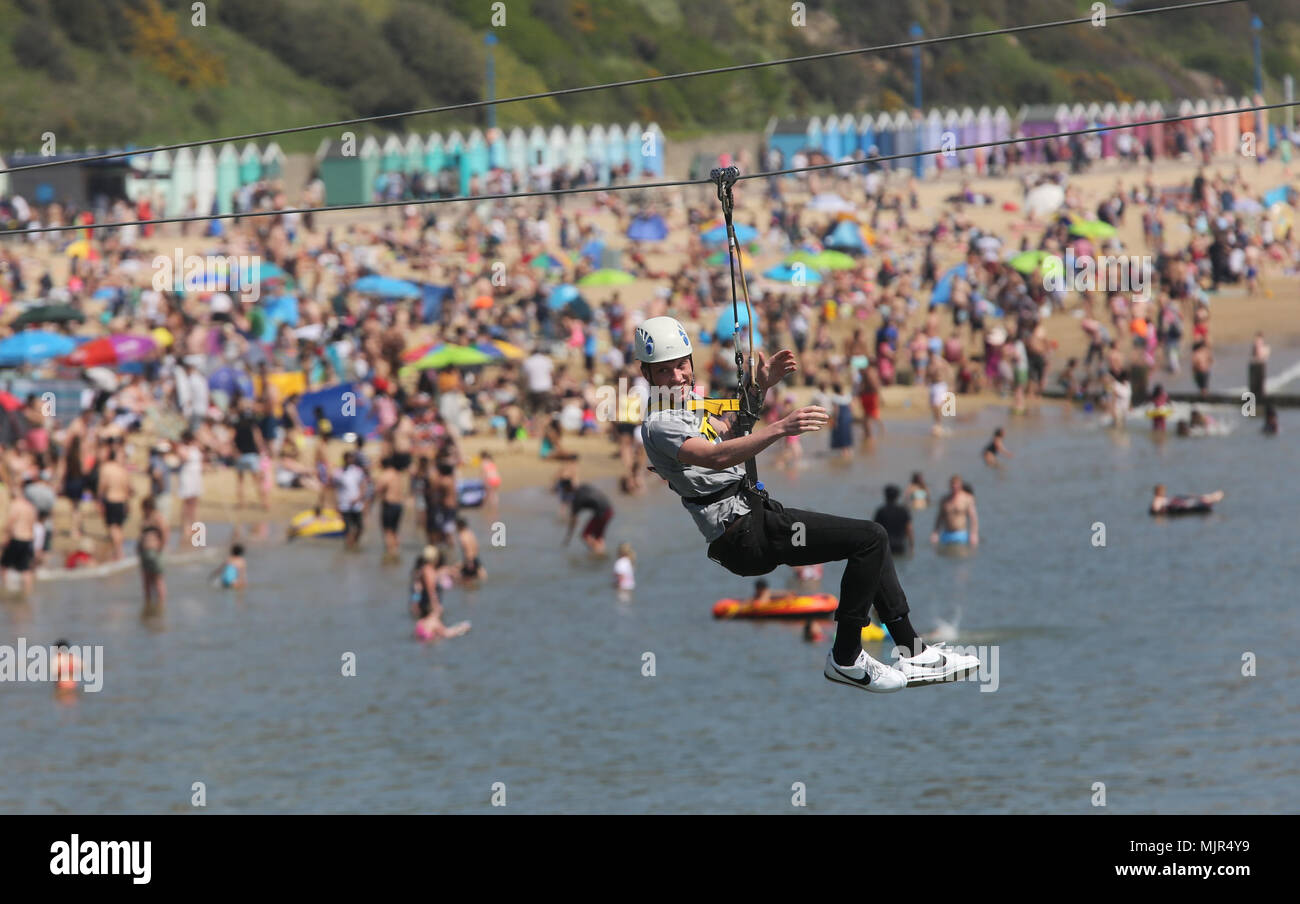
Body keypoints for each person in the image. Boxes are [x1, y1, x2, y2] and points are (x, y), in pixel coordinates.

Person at [635, 315, 977, 694]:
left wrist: (760, 386)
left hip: (759, 518)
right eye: (665, 371)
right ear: (647, 375)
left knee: (869, 542)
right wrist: (781, 428)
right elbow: (716, 457)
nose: (678, 376)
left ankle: (913, 652)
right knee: (870, 538)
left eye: (682, 365)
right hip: (743, 536)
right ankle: (846, 658)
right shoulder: (660, 423)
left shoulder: (689, 407)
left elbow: (733, 432)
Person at [411, 545, 471, 641]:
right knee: (438, 633)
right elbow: (431, 590)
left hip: (424, 612)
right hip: (429, 607)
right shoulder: (428, 571)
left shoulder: (419, 623)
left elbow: (417, 590)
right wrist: (462, 628)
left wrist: (415, 604)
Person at [97, 441, 131, 562]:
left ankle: (118, 552)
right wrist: (128, 503)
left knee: (112, 527)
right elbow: (128, 487)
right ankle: (118, 552)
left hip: (111, 499)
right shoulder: (122, 469)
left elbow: (102, 486)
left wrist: (99, 499)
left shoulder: (105, 468)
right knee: (119, 528)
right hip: (122, 500)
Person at [1, 485, 38, 596]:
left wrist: (5, 537)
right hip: (28, 539)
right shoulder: (30, 507)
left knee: (3, 566)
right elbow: (32, 524)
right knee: (26, 568)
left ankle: (5, 590)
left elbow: (10, 523)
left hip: (16, 537)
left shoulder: (14, 505)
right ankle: (28, 592)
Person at [563, 482, 614, 555]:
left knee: (585, 535)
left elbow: (573, 521)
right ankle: (602, 553)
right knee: (598, 536)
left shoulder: (576, 500)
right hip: (609, 510)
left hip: (601, 513)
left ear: (567, 490)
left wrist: (568, 537)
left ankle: (598, 553)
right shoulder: (583, 486)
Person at [931, 474, 979, 548]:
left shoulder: (967, 498)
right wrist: (935, 533)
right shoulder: (944, 500)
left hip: (961, 534)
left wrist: (974, 534)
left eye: (956, 484)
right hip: (946, 534)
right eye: (952, 484)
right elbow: (939, 517)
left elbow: (973, 518)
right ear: (950, 485)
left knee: (961, 555)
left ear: (961, 485)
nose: (954, 486)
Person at [334, 451, 369, 551]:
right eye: (348, 458)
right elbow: (334, 488)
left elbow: (363, 485)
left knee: (360, 528)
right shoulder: (338, 472)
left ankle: (355, 544)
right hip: (344, 505)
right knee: (348, 528)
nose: (350, 460)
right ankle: (348, 547)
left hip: (356, 504)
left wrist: (359, 497)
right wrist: (335, 504)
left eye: (351, 458)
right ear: (344, 459)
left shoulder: (358, 471)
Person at [373, 455, 405, 564]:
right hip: (399, 505)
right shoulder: (397, 474)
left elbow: (378, 489)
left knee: (387, 530)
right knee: (395, 530)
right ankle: (396, 553)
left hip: (389, 505)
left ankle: (390, 553)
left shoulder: (385, 475)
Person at [872, 485, 913, 557]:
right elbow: (909, 529)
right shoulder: (903, 511)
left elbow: (875, 530)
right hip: (900, 544)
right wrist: (911, 546)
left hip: (885, 545)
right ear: (897, 496)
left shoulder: (881, 511)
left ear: (885, 495)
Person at [138, 524, 166, 614]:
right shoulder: (145, 527)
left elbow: (163, 536)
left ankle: (161, 603)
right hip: (145, 555)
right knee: (146, 581)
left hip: (155, 555)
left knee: (158, 581)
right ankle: (148, 601)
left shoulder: (157, 521)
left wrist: (160, 548)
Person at [1150, 484, 1224, 515]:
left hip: (1176, 502)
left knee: (1191, 498)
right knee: (1192, 501)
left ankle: (1210, 497)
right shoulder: (1158, 500)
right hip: (1176, 504)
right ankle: (1210, 498)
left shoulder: (1159, 499)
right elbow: (1156, 510)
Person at [454, 516, 486, 582]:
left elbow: (467, 550)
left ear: (459, 526)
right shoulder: (470, 533)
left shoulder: (462, 536)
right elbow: (476, 547)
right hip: (476, 559)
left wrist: (469, 562)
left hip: (470, 562)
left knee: (467, 585)